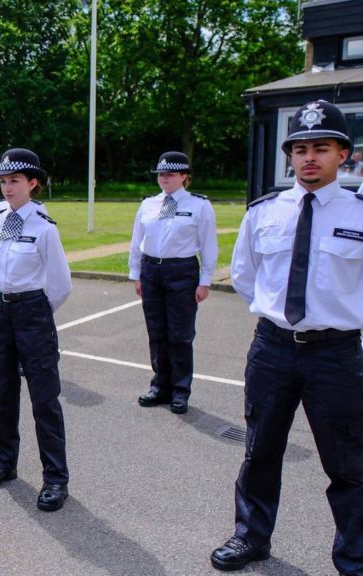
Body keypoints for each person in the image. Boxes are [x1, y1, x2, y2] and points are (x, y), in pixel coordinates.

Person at [212, 100, 363, 574]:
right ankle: (251, 536)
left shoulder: (359, 214)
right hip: (273, 348)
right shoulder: (264, 213)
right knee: (260, 449)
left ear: (343, 154)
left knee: (349, 462)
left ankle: (355, 558)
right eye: (300, 149)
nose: (309, 158)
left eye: (321, 148)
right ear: (290, 156)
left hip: (336, 353)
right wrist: (279, 316)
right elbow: (245, 276)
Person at [0, 148, 72, 513]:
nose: (7, 187)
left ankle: (55, 478)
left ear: (33, 183)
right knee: (3, 391)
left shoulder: (44, 229)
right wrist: (6, 304)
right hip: (0, 310)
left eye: (14, 180)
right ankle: (5, 461)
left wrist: (36, 313)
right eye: (3, 181)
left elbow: (60, 285)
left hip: (33, 312)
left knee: (44, 399)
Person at [128, 152, 218, 415]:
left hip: (181, 271)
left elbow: (209, 245)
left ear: (184, 176)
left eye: (170, 174)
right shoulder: (148, 204)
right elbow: (136, 241)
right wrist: (136, 274)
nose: (164, 178)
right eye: (161, 174)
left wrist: (205, 281)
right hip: (151, 270)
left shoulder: (199, 205)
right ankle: (160, 386)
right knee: (156, 332)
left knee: (180, 334)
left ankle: (180, 390)